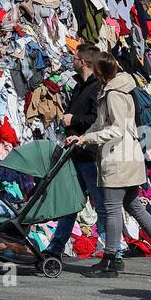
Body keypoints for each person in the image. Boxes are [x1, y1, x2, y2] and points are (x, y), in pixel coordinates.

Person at [73, 52, 151, 279]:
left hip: (119, 158)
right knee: (135, 207)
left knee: (113, 209)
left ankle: (110, 260)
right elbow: (100, 123)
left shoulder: (114, 94)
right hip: (127, 156)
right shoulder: (117, 88)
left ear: (100, 71)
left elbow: (117, 129)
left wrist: (88, 139)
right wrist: (83, 136)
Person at [43, 45, 104, 262]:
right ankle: (55, 249)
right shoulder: (79, 86)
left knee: (102, 203)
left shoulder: (97, 88)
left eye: (75, 57)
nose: (72, 60)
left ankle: (111, 251)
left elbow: (97, 121)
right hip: (74, 153)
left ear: (84, 62)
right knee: (70, 203)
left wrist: (73, 121)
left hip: (89, 154)